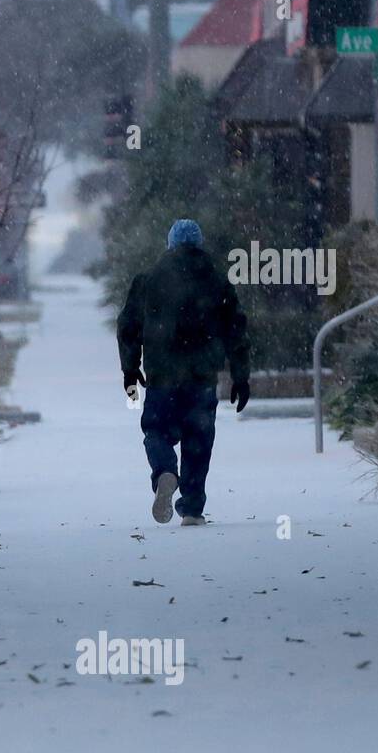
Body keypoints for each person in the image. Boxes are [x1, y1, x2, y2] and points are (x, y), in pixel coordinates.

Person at [116, 219, 251, 526]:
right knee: (198, 439)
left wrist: (130, 369)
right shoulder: (218, 283)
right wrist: (241, 376)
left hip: (162, 376)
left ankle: (165, 471)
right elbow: (236, 332)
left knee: (156, 431)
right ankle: (191, 507)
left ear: (170, 245)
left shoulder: (148, 281)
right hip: (201, 378)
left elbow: (128, 327)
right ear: (199, 245)